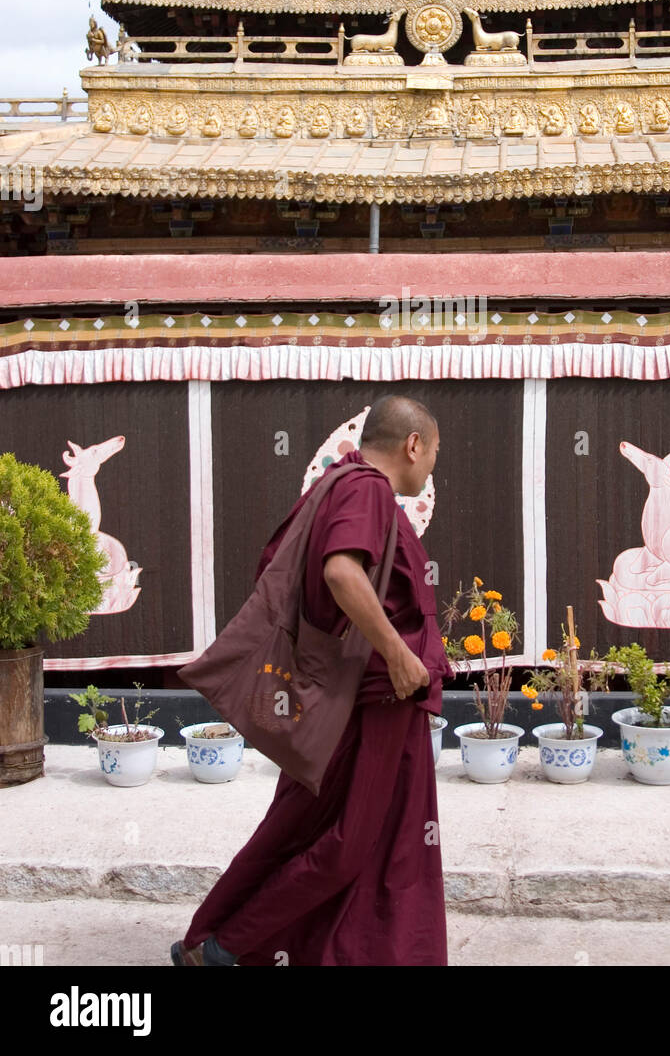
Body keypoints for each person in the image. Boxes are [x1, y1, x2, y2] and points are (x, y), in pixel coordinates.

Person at [171, 394, 453, 967]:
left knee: (306, 824)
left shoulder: (340, 483)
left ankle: (228, 940)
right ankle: (226, 948)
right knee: (348, 842)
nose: (431, 468)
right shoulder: (367, 488)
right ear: (413, 444)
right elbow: (342, 571)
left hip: (358, 698)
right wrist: (399, 654)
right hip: (372, 697)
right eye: (434, 453)